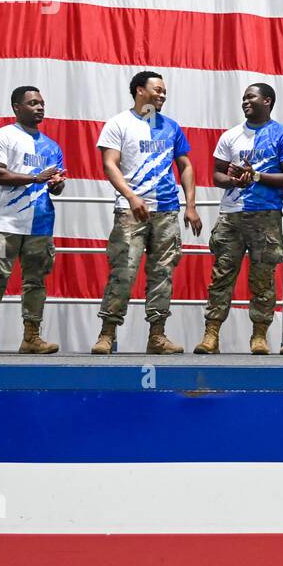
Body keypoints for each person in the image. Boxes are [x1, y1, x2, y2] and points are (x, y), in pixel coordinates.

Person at [94, 70, 202, 355]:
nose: (162, 95)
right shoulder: (119, 123)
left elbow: (186, 165)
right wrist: (131, 196)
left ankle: (157, 335)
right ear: (140, 90)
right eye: (157, 89)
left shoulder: (170, 126)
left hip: (167, 211)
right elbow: (109, 164)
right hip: (132, 212)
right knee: (123, 273)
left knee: (162, 274)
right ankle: (107, 334)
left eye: (165, 91)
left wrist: (190, 205)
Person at [198, 83, 283, 355]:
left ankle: (259, 335)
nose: (245, 101)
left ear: (267, 101)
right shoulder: (230, 136)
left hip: (265, 217)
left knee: (263, 279)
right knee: (221, 276)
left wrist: (256, 177)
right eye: (243, 97)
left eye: (251, 97)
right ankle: (211, 334)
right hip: (231, 217)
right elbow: (216, 175)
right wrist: (233, 180)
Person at [0, 86, 66, 354]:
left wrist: (55, 185)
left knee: (36, 280)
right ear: (17, 107)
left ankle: (31, 337)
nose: (39, 107)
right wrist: (35, 178)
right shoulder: (2, 136)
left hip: (40, 225)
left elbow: (55, 186)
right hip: (4, 224)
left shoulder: (52, 146)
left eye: (42, 103)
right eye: (33, 103)